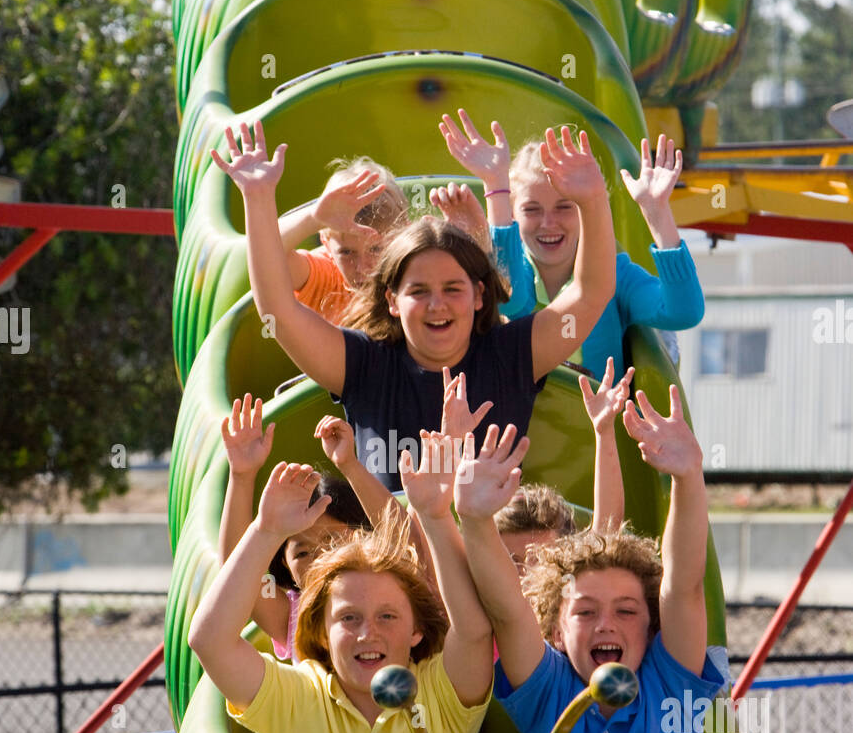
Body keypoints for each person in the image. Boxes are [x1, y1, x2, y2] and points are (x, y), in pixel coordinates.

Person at [211, 120, 616, 490]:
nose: (436, 304)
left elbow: (592, 291)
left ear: (478, 295)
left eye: (453, 288)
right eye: (418, 291)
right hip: (392, 566)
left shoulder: (510, 355)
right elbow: (277, 312)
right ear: (391, 300)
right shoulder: (366, 365)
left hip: (488, 564)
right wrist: (259, 198)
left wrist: (593, 200)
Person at [189, 432, 493, 733]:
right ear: (322, 631)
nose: (368, 633)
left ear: (416, 630)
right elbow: (209, 640)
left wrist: (434, 515)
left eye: (387, 617)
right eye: (348, 619)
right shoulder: (295, 699)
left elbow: (474, 629)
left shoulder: (443, 696)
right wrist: (266, 530)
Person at [454, 393, 724, 733]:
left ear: (651, 623)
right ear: (556, 629)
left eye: (626, 610)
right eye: (585, 612)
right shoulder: (549, 692)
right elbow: (510, 612)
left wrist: (688, 476)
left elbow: (683, 585)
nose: (607, 624)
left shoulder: (672, 686)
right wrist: (473, 520)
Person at [439, 109, 704, 380]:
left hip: (592, 421)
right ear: (514, 216)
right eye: (532, 210)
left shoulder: (616, 275)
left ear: (585, 211)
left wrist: (657, 212)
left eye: (564, 207)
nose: (548, 223)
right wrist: (496, 186)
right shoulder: (515, 266)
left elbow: (683, 312)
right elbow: (510, 300)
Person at [218, 394, 397, 661]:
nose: (319, 557)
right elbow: (236, 570)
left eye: (333, 541)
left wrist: (348, 464)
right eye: (301, 553)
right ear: (285, 565)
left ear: (363, 535)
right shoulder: (291, 615)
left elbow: (402, 535)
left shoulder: (393, 590)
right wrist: (242, 476)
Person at [494, 357, 634, 576]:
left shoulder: (567, 599)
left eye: (541, 562)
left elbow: (606, 532)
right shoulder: (480, 604)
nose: (526, 577)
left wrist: (604, 431)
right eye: (514, 563)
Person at [278, 159, 408, 324]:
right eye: (346, 252)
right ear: (326, 243)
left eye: (376, 249)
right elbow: (265, 249)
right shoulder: (324, 277)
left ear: (402, 238)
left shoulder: (413, 268)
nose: (362, 268)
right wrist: (313, 218)